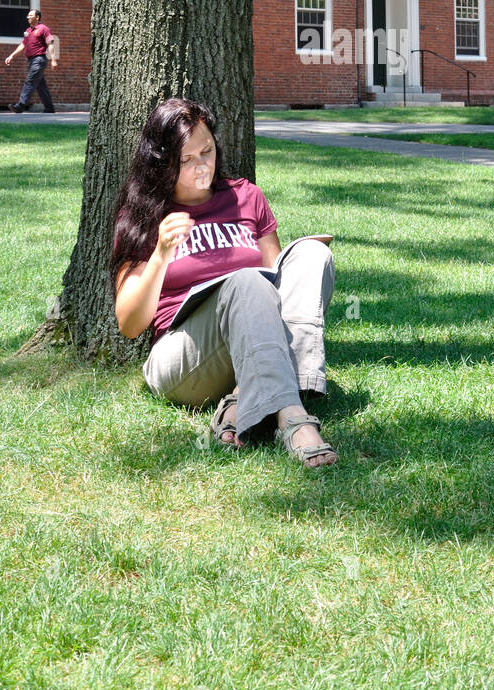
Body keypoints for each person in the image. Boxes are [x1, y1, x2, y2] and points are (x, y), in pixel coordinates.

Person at [111, 97, 338, 468]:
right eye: (186, 160)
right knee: (245, 282)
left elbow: (276, 280)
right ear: (162, 162)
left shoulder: (246, 197)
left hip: (252, 340)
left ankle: (241, 396)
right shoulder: (144, 215)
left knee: (312, 255)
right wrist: (161, 254)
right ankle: (293, 417)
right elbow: (130, 324)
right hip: (184, 358)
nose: (202, 167)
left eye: (207, 151)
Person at [4, 9, 57, 113]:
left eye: (30, 15)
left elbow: (50, 44)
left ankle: (20, 105)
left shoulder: (43, 29)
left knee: (30, 81)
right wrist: (12, 55)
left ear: (37, 17)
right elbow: (23, 45)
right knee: (41, 86)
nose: (28, 17)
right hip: (31, 60)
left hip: (39, 59)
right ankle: (49, 108)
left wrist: (53, 60)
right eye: (27, 15)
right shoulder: (28, 31)